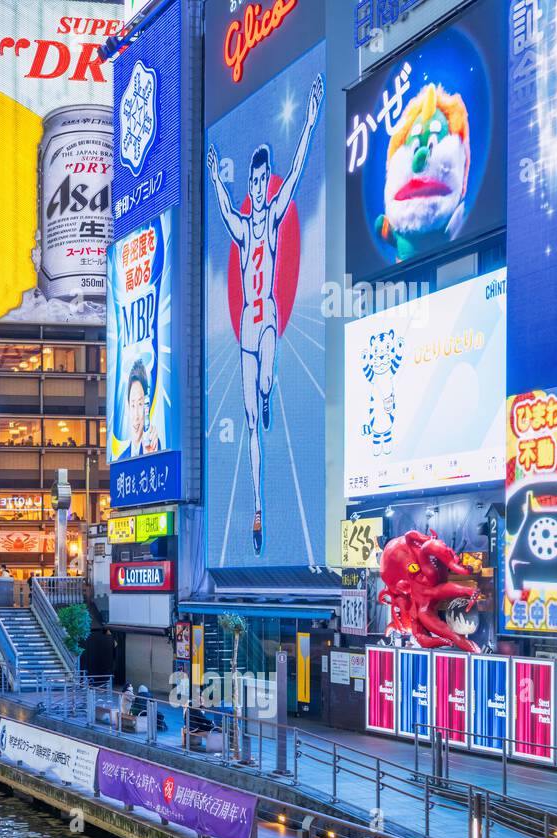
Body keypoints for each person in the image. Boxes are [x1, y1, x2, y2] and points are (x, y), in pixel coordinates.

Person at [207, 72, 323, 555]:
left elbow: (296, 171)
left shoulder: (272, 217)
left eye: (260, 179)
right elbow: (222, 210)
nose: (256, 187)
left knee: (267, 380)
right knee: (251, 421)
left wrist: (312, 117)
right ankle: (257, 510)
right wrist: (215, 177)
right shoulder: (240, 222)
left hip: (267, 316)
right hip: (245, 334)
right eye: (252, 181)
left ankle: (270, 390)